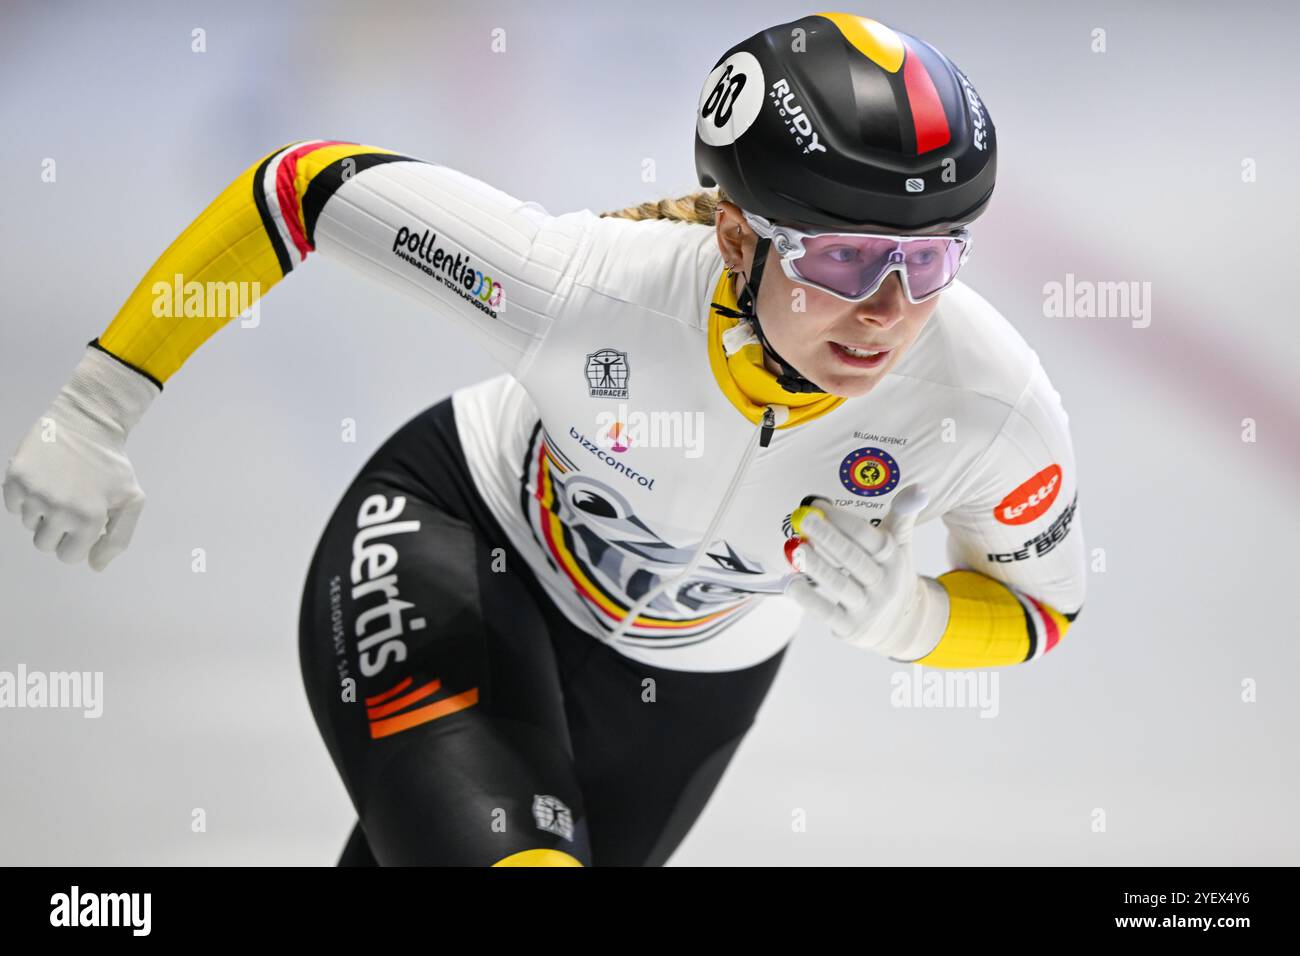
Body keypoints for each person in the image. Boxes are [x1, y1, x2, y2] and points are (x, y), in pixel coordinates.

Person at [2, 12, 1085, 866]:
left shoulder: (985, 401)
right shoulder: (585, 287)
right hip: (461, 546)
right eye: (843, 259)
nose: (887, 309)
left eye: (931, 261)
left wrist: (914, 616)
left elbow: (1040, 608)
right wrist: (94, 407)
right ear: (735, 231)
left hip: (686, 684)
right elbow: (301, 189)